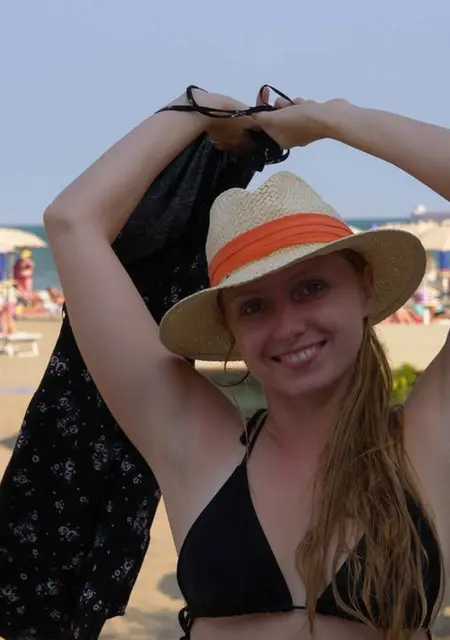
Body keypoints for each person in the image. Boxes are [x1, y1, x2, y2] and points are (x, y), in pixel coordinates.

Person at [43, 86, 450, 640]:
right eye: (254, 305)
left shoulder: (426, 441)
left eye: (311, 287)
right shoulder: (194, 440)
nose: (287, 325)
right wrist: (196, 109)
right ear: (229, 328)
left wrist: (333, 119)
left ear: (364, 287)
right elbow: (71, 221)